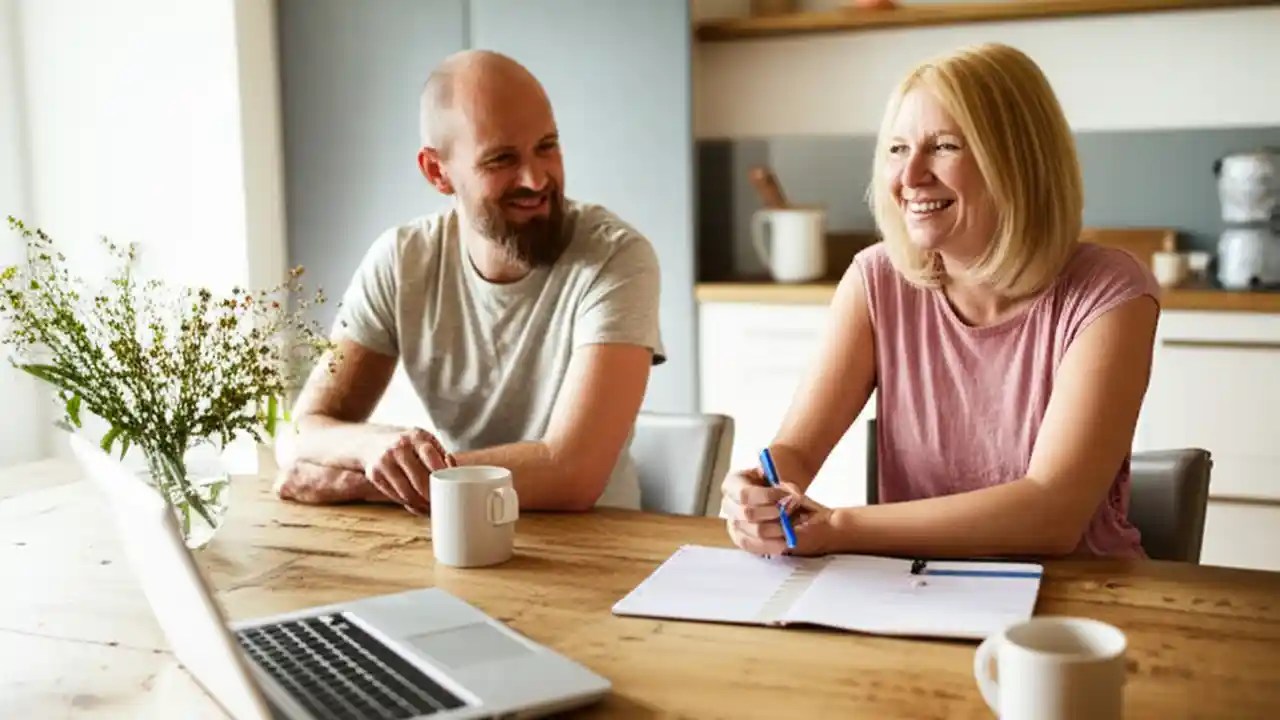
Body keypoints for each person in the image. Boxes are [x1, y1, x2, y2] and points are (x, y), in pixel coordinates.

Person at [720, 43, 1160, 560]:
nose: (909, 178)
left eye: (945, 146)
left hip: (1073, 606)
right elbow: (796, 451)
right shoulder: (876, 279)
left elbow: (1052, 513)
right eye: (898, 149)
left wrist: (840, 527)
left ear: (1019, 161)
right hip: (916, 591)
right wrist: (759, 496)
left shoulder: (1109, 292)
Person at [273, 49, 664, 514]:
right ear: (437, 172)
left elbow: (572, 472)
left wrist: (365, 485)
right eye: (501, 159)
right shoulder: (402, 262)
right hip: (457, 536)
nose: (536, 179)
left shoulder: (616, 258)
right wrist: (374, 447)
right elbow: (302, 433)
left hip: (595, 547)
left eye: (547, 146)